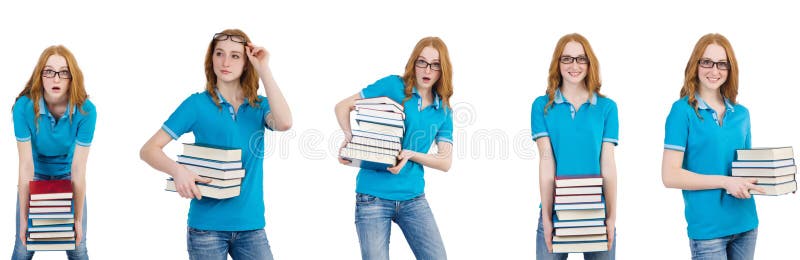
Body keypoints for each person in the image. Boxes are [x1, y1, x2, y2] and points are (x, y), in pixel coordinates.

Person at [139, 29, 292, 260]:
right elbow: (148, 150)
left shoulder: (259, 106)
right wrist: (178, 171)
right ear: (211, 59)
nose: (225, 62)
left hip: (251, 226)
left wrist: (264, 70)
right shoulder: (196, 104)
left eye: (235, 56)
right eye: (219, 53)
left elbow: (285, 123)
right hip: (206, 228)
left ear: (246, 63)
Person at [334, 36, 454, 260]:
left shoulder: (443, 109)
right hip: (373, 196)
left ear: (442, 69)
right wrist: (349, 137)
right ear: (413, 63)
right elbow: (343, 106)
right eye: (422, 62)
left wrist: (411, 155)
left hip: (413, 198)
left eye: (435, 64)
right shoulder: (393, 85)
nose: (427, 69)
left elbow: (445, 161)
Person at [661, 33, 761, 260]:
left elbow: (745, 170)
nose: (714, 70)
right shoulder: (682, 112)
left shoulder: (742, 114)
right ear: (695, 65)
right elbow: (670, 176)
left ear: (730, 69)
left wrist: (776, 180)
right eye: (706, 62)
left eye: (721, 64)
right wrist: (725, 182)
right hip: (708, 231)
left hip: (746, 223)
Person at [531, 33, 618, 259]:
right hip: (556, 209)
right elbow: (546, 161)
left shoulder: (607, 108)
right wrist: (548, 218)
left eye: (581, 59)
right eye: (567, 59)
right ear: (557, 64)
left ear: (590, 64)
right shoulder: (542, 106)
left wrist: (611, 217)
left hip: (596, 210)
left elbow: (607, 163)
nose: (574, 65)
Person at [12, 45, 96, 260]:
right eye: (49, 71)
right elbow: (25, 166)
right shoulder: (23, 107)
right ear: (40, 76)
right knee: (23, 245)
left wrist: (77, 219)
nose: (56, 79)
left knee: (78, 245)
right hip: (36, 175)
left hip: (68, 176)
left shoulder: (86, 110)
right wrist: (24, 218)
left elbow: (78, 169)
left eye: (63, 72)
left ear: (72, 77)